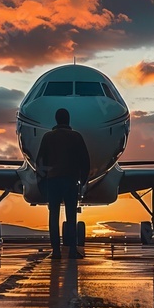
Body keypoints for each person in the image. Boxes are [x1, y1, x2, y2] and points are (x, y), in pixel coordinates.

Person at [36, 108, 90, 258]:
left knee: (53, 216)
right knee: (71, 216)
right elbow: (85, 161)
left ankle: (56, 251)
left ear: (56, 120)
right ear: (68, 120)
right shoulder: (76, 137)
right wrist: (83, 181)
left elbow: (40, 163)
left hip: (52, 181)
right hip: (70, 180)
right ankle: (72, 250)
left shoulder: (47, 137)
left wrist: (41, 183)